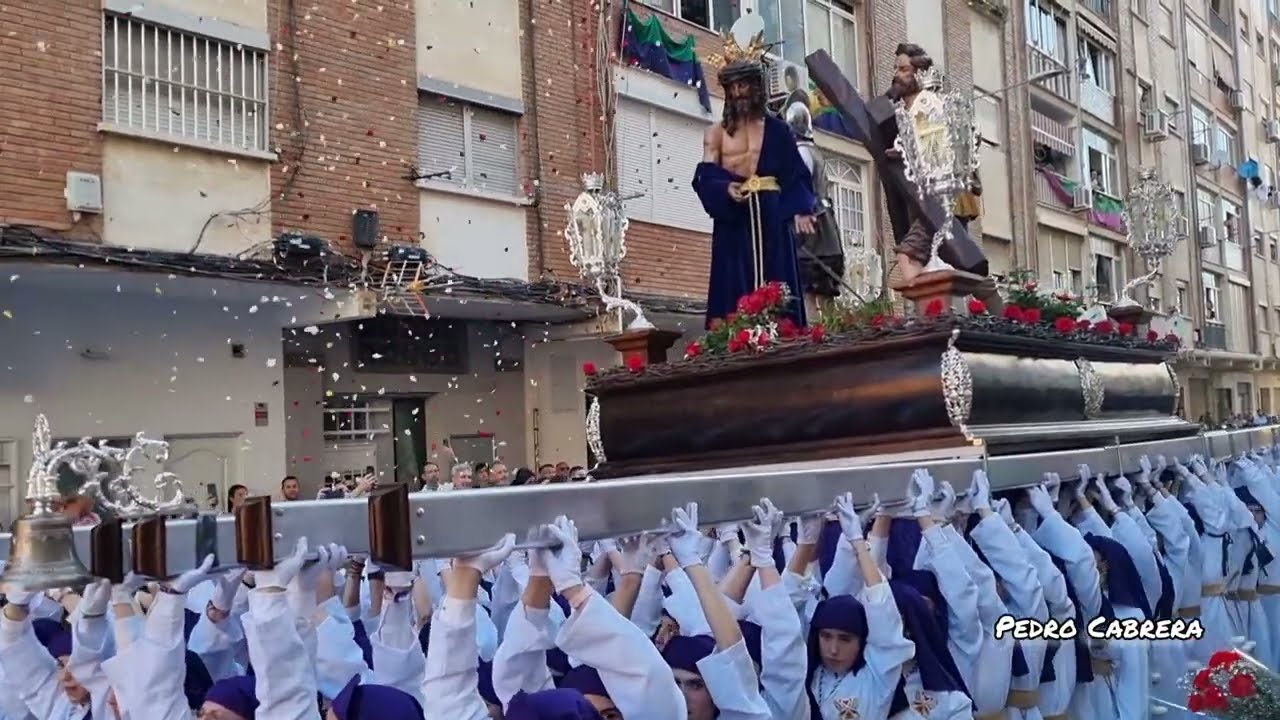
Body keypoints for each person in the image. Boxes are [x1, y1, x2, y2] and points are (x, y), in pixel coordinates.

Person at [694, 26, 816, 329]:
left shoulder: (778, 130)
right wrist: (726, 189)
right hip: (735, 222)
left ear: (756, 86)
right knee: (734, 286)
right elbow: (705, 176)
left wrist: (802, 208)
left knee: (779, 283)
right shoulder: (716, 134)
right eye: (732, 88)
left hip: (772, 217)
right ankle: (736, 336)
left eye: (743, 86)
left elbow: (795, 172)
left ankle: (784, 332)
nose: (738, 93)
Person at [785, 101, 844, 320]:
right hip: (825, 221)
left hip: (811, 224)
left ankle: (818, 336)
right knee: (823, 290)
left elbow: (803, 187)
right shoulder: (814, 151)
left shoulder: (801, 153)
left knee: (809, 287)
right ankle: (828, 332)